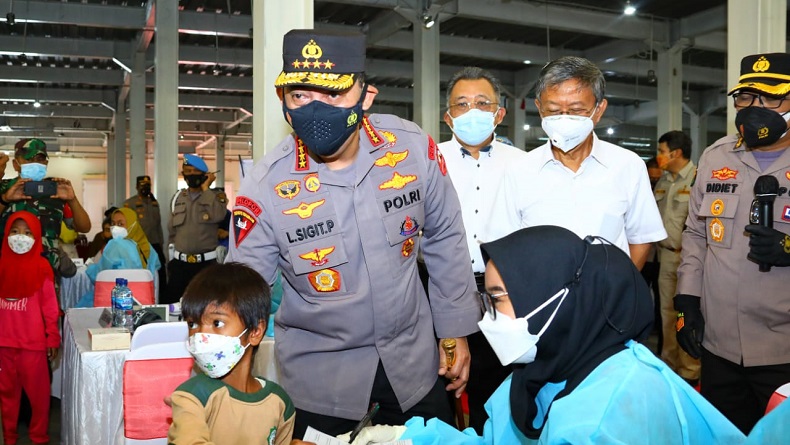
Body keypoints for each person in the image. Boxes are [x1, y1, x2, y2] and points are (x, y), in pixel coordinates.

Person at [227, 29, 480, 438]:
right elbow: (242, 294)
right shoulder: (265, 186)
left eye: (332, 96)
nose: (315, 110)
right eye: (300, 97)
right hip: (321, 385)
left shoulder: (412, 150)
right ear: (284, 102)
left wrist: (454, 331)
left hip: (415, 371)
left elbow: (445, 238)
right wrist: (234, 388)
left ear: (366, 95)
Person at [390, 226, 746, 444]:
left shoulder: (604, 418)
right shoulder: (551, 365)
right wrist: (402, 440)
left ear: (554, 300)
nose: (489, 315)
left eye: (498, 298)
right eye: (488, 298)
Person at [675, 52, 790, 434]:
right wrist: (687, 301)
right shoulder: (716, 156)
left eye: (771, 97)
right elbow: (695, 232)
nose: (756, 108)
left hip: (783, 348)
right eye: (746, 97)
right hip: (719, 344)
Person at [487, 56, 666, 270]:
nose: (564, 118)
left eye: (576, 110)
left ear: (598, 110)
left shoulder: (627, 166)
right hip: (541, 298)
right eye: (553, 110)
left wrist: (618, 290)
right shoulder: (519, 171)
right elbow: (505, 244)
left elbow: (641, 238)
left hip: (607, 299)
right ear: (539, 107)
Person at [439, 66, 527, 434]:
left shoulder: (524, 165)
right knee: (442, 388)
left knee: (496, 395)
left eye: (482, 103)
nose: (472, 111)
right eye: (461, 104)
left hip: (504, 295)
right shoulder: (429, 162)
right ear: (448, 117)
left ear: (499, 113)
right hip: (442, 290)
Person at [168, 262, 310, 445]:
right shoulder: (191, 397)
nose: (201, 335)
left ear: (255, 332)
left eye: (217, 323)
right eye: (192, 324)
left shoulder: (279, 402)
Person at [0, 211, 61, 445]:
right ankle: (9, 437)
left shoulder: (42, 266)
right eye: (14, 232)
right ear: (6, 234)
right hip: (5, 344)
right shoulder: (2, 264)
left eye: (27, 233)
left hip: (33, 346)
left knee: (38, 398)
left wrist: (52, 338)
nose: (20, 237)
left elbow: (50, 307)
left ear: (36, 237)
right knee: (7, 397)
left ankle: (39, 437)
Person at [0, 138, 91, 272]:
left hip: (47, 269)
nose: (35, 164)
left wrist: (72, 200)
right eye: (29, 160)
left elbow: (84, 227)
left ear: (46, 163)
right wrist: (5, 199)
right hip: (9, 268)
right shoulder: (4, 188)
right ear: (15, 164)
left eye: (40, 160)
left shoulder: (55, 191)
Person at [653, 131, 699, 385]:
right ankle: (669, 366)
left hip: (690, 260)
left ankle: (690, 370)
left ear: (676, 152)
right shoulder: (664, 181)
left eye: (662, 151)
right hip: (666, 257)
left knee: (688, 314)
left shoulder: (698, 177)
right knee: (667, 314)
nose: (659, 156)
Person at [165, 154, 227, 304]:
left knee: (207, 307)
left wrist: (206, 189)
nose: (192, 174)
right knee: (174, 308)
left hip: (206, 266)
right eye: (188, 171)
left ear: (205, 175)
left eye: (195, 171)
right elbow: (172, 232)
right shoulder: (177, 198)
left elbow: (219, 215)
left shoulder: (216, 196)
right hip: (180, 266)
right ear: (183, 174)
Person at [75, 207, 161, 307]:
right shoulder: (147, 247)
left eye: (120, 224)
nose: (115, 228)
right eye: (113, 223)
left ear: (132, 225)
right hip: (143, 302)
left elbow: (98, 275)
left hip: (113, 301)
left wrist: (90, 267)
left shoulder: (115, 245)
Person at [123, 175, 166, 290]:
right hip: (138, 246)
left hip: (155, 244)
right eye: (142, 185)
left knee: (160, 275)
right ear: (136, 186)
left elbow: (158, 225)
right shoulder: (129, 203)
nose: (145, 187)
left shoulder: (154, 203)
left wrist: (161, 244)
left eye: (148, 185)